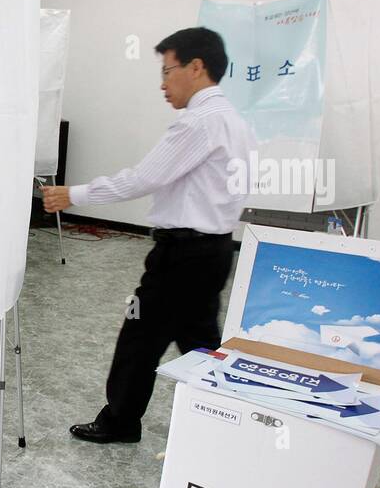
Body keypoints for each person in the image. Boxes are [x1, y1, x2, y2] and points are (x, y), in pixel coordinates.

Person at [42, 26, 255, 444]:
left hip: (181, 256)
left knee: (139, 338)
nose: (162, 84)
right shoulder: (235, 123)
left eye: (167, 71)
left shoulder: (198, 123)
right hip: (213, 251)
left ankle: (121, 421)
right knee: (200, 340)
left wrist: (73, 194)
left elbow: (143, 178)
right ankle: (234, 418)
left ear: (196, 67)